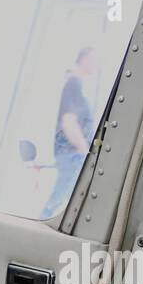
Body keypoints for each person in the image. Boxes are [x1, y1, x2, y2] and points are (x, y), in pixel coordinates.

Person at [42, 47, 98, 218]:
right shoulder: (74, 84)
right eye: (94, 59)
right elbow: (69, 122)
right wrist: (84, 150)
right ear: (84, 59)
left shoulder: (75, 85)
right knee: (55, 206)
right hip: (72, 155)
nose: (97, 64)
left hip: (71, 154)